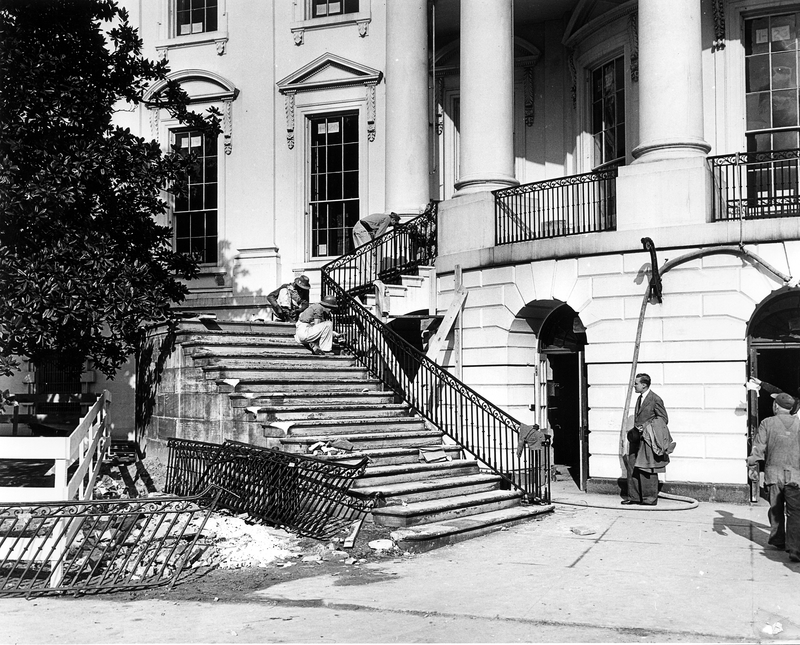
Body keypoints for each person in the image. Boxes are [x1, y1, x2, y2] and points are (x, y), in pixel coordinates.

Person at [747, 392, 800, 561]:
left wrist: (751, 463)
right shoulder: (799, 424)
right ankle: (795, 548)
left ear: (776, 406)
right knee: (795, 512)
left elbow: (758, 448)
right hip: (795, 476)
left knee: (776, 508)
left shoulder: (767, 423)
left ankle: (778, 539)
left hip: (773, 474)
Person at [623, 373, 675, 506]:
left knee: (647, 468)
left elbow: (663, 419)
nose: (634, 386)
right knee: (632, 465)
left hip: (648, 440)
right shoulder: (640, 398)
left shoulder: (655, 399)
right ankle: (634, 497)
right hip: (636, 438)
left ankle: (649, 499)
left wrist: (646, 426)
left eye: (636, 383)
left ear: (644, 385)